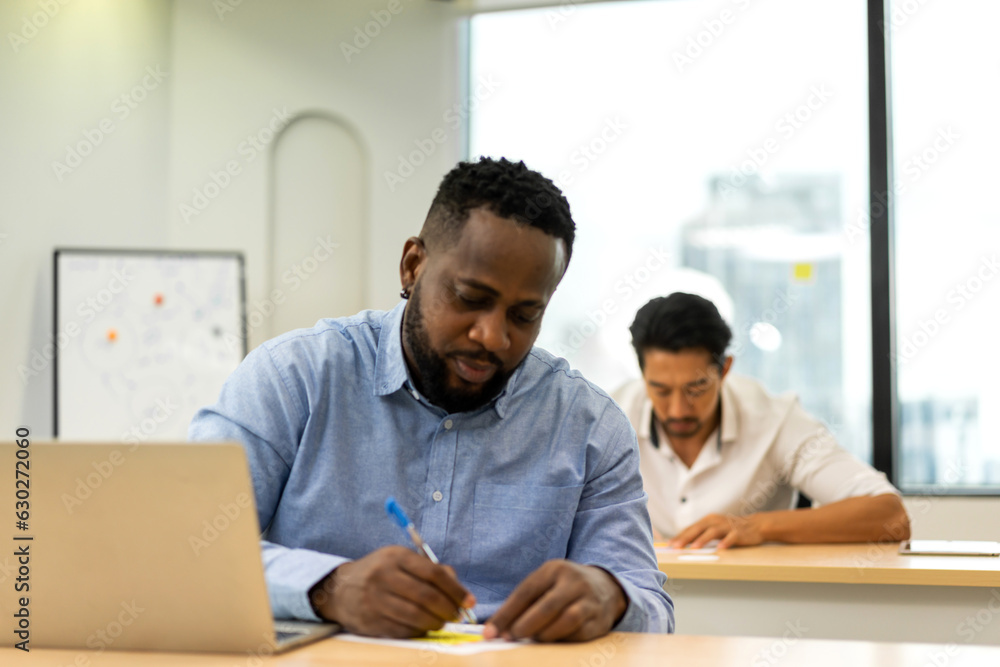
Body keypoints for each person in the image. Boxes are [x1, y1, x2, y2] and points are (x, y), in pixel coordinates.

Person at [189, 157, 673, 642]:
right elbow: (187, 548)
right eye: (469, 297)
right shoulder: (293, 380)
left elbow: (651, 607)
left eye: (525, 315)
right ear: (413, 266)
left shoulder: (589, 426)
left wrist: (609, 596)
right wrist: (328, 588)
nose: (492, 336)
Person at [613, 292, 910, 549]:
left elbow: (890, 517)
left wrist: (757, 526)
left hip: (754, 604)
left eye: (696, 388)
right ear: (642, 375)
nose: (677, 409)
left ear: (725, 369)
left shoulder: (775, 419)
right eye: (660, 390)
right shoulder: (611, 418)